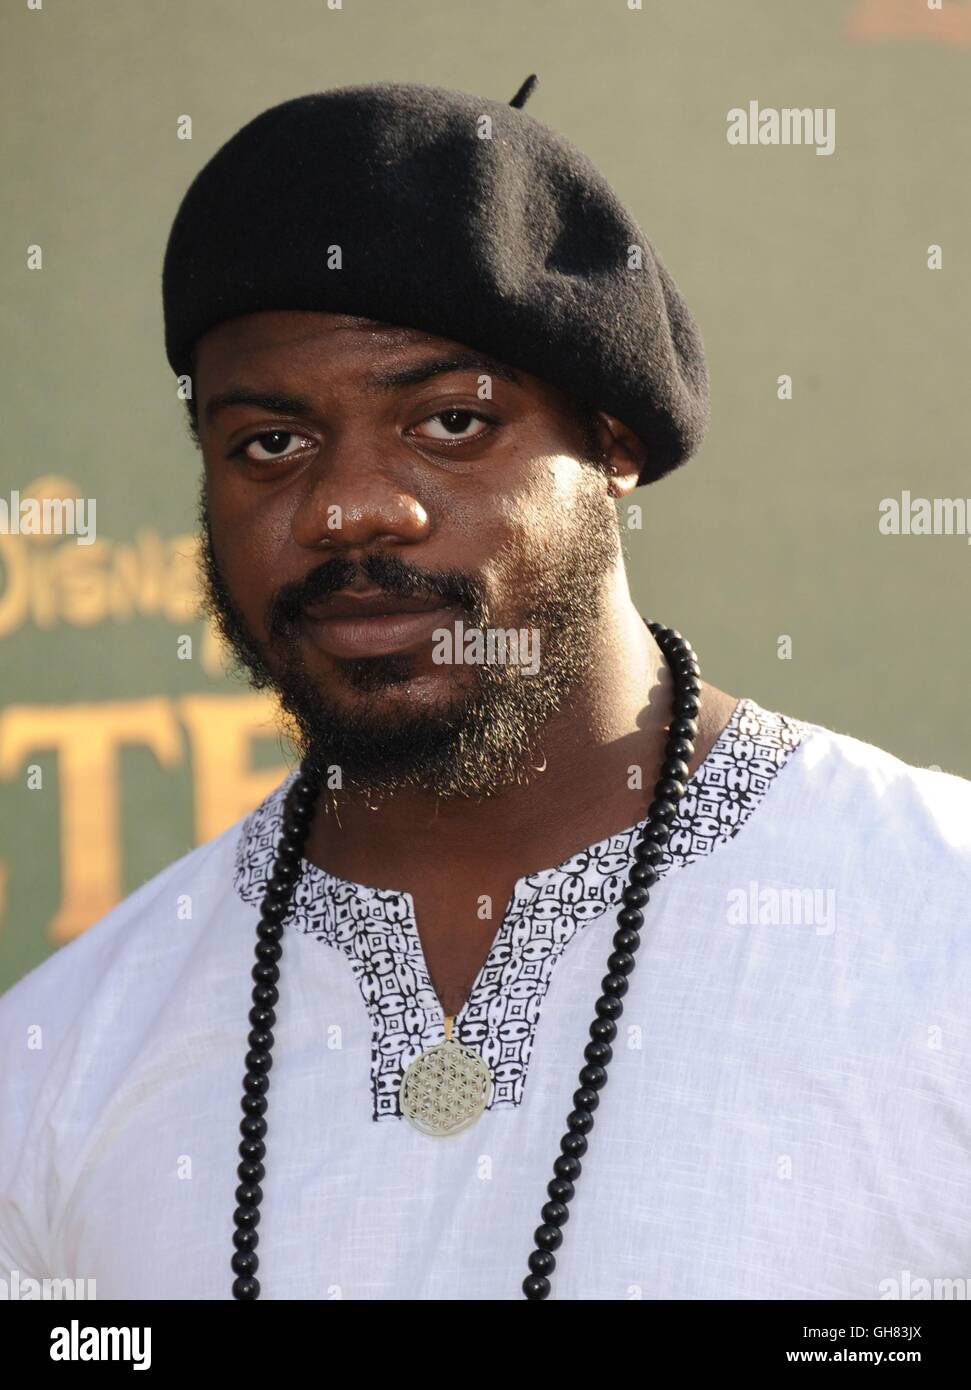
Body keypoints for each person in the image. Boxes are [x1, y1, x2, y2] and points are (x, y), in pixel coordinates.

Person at [1, 76, 969, 1303]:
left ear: (612, 442)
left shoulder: (937, 925)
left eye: (451, 421)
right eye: (270, 443)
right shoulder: (59, 1063)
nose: (348, 505)